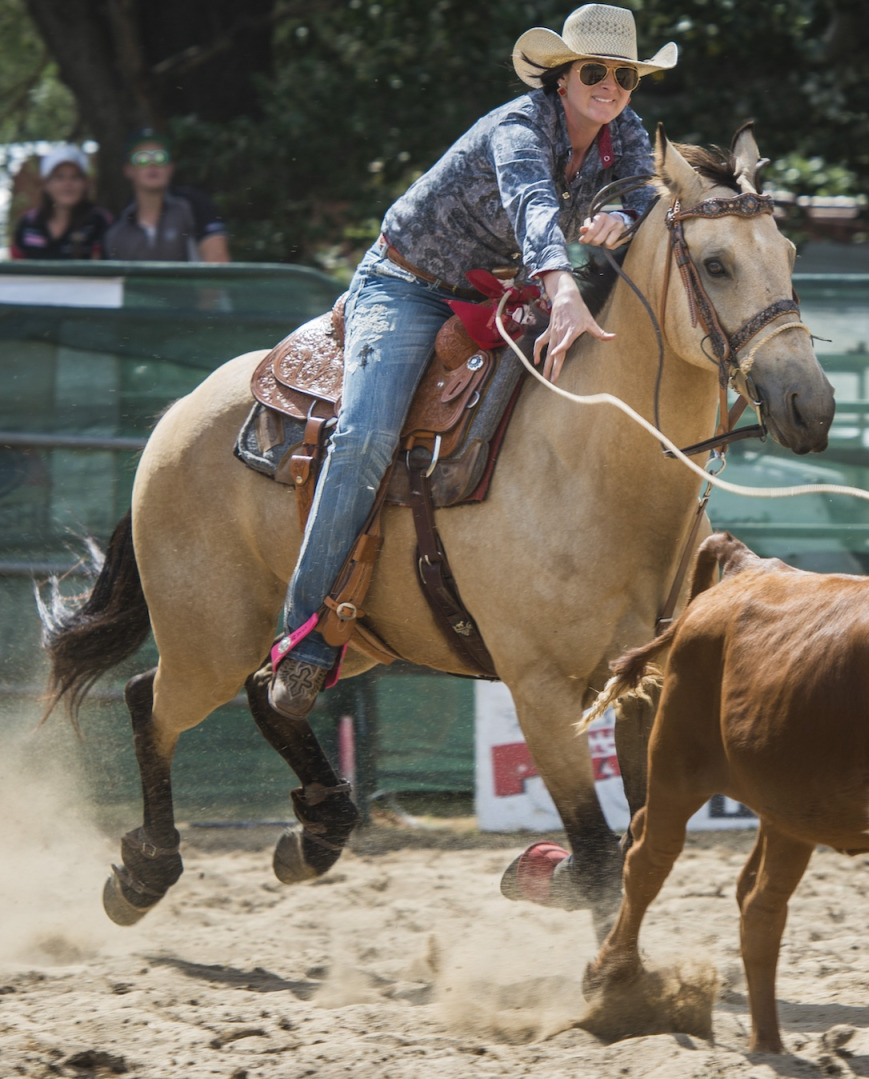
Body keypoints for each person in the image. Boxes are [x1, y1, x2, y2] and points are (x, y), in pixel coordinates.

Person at [267, 4, 677, 718]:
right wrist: (563, 289)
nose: (611, 87)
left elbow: (649, 187)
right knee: (363, 435)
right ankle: (304, 633)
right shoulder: (518, 128)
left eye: (625, 76)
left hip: (504, 293)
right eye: (595, 72)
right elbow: (533, 209)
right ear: (560, 77)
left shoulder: (626, 133)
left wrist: (630, 213)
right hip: (406, 286)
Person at [101, 131, 230, 262]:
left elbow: (218, 262)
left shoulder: (195, 205)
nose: (152, 164)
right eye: (142, 158)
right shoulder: (116, 230)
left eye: (160, 157)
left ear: (170, 168)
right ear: (128, 170)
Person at [9, 146, 114, 260]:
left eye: (75, 177)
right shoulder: (28, 223)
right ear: (46, 184)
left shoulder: (99, 222)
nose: (67, 184)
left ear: (85, 183)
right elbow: (16, 268)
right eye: (59, 177)